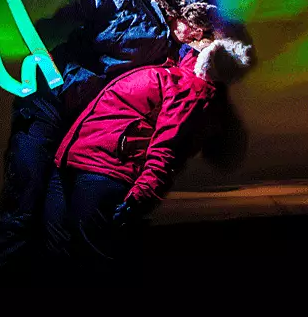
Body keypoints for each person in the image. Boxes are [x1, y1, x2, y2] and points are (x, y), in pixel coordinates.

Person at [0, 0, 236, 271]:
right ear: (177, 6)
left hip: (78, 126)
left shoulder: (174, 50)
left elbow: (199, 82)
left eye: (204, 27)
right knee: (22, 202)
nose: (197, 32)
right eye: (196, 22)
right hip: (47, 103)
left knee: (56, 222)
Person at [43, 16, 254, 276]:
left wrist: (141, 197)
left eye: (199, 32)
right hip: (72, 160)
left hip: (102, 172)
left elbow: (168, 150)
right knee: (57, 256)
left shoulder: (194, 88)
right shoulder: (170, 68)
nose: (188, 31)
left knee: (91, 263)